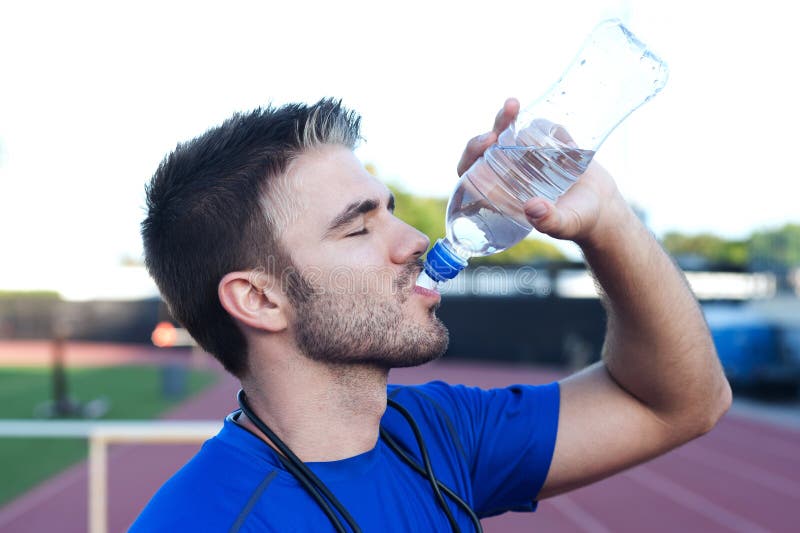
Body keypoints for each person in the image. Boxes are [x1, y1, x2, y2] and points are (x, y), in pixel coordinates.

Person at [131, 98, 731, 532]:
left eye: (390, 211)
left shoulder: (436, 432)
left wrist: (606, 218)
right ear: (260, 299)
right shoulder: (206, 520)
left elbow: (679, 403)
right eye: (359, 227)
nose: (416, 239)